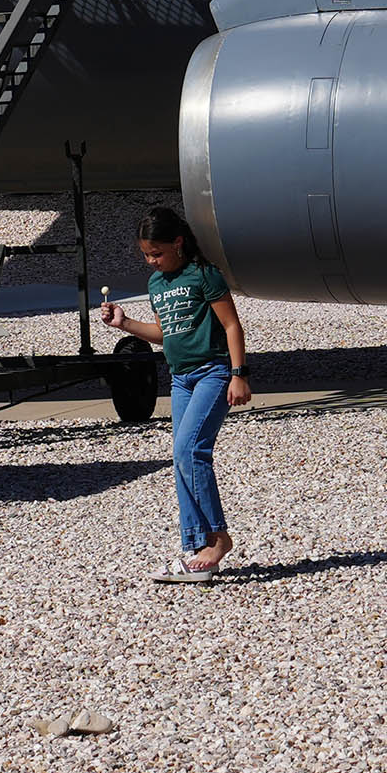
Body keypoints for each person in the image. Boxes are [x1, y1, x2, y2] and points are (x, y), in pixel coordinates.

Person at [98, 208, 251, 581]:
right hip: (180, 378)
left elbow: (231, 325)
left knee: (190, 451)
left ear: (178, 243)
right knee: (180, 456)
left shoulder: (203, 275)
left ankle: (217, 538)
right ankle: (196, 545)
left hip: (213, 373)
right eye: (147, 255)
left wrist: (238, 374)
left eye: (157, 253)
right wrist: (125, 323)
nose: (151, 261)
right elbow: (167, 335)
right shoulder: (156, 285)